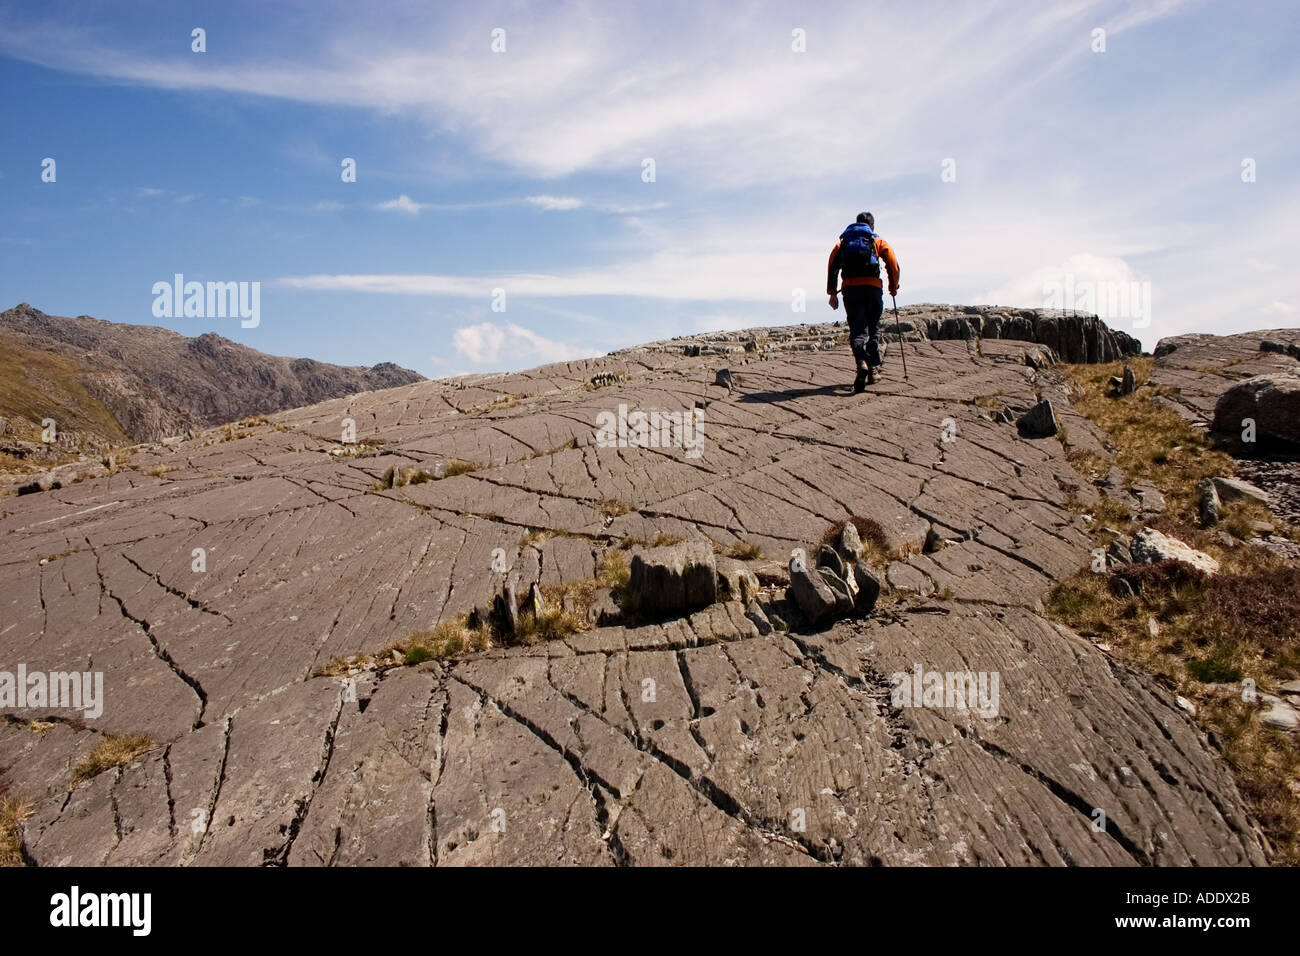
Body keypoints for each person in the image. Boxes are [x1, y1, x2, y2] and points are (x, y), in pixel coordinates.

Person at [827, 212, 900, 392]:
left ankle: (862, 363)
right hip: (873, 288)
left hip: (851, 290)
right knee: (873, 329)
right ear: (872, 226)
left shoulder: (843, 243)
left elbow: (832, 267)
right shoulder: (876, 241)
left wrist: (832, 293)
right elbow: (892, 262)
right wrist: (893, 287)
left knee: (858, 331)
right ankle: (873, 370)